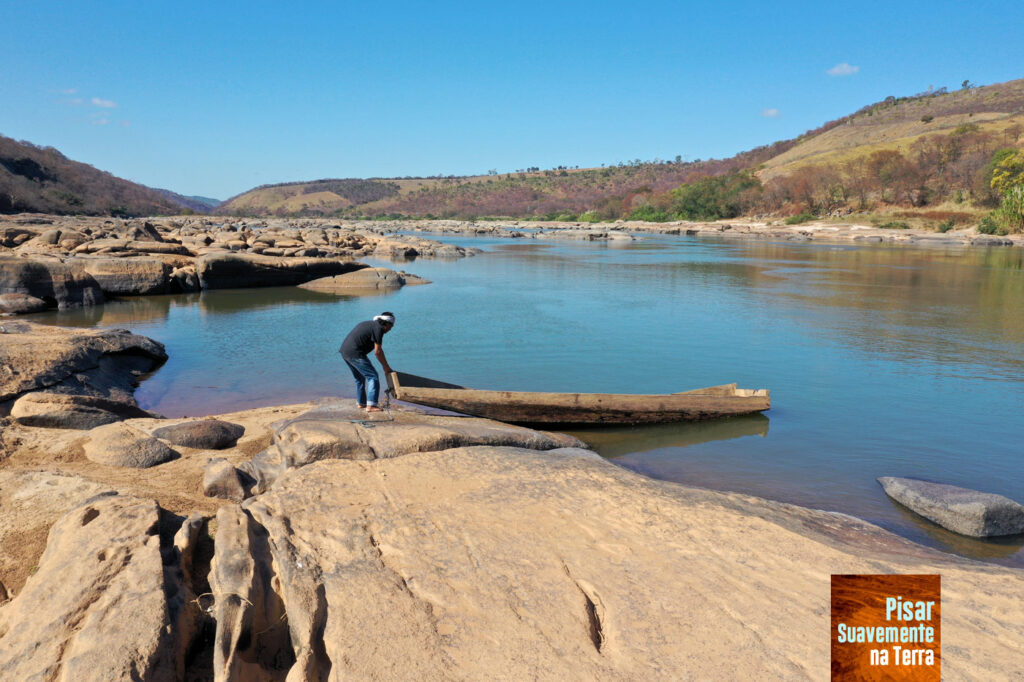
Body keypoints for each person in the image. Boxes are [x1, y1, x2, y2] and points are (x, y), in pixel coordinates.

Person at [339, 312, 395, 412]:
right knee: (373, 376)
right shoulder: (379, 329)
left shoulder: (370, 324)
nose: (391, 329)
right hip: (355, 353)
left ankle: (361, 403)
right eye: (391, 326)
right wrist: (386, 367)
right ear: (386, 324)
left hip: (345, 351)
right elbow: (377, 352)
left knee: (359, 378)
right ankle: (371, 405)